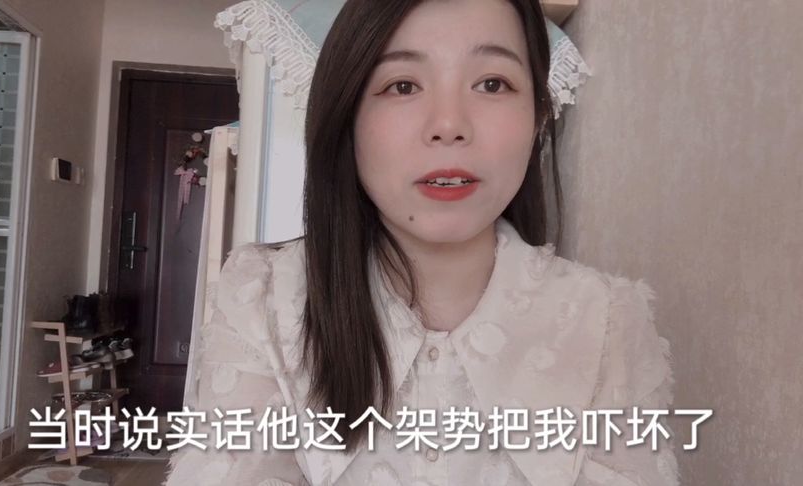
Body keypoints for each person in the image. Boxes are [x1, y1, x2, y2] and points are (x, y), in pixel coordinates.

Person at [166, 0, 679, 484]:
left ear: (538, 117)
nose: (449, 125)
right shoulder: (263, 299)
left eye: (492, 83)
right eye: (403, 85)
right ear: (347, 117)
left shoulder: (608, 321)